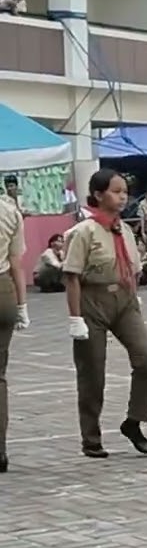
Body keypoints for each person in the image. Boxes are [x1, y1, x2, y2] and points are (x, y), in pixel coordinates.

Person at [62, 168, 147, 458]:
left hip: (125, 300)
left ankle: (134, 421)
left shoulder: (124, 229)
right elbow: (72, 276)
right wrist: (75, 318)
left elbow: (135, 268)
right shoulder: (83, 232)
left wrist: (134, 297)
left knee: (146, 359)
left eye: (124, 192)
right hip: (93, 301)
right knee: (93, 372)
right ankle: (91, 438)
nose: (122, 196)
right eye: (116, 191)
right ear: (99, 195)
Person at [0, 190, 26, 471]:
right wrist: (22, 305)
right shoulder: (9, 211)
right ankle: (0, 450)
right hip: (3, 291)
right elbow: (17, 262)